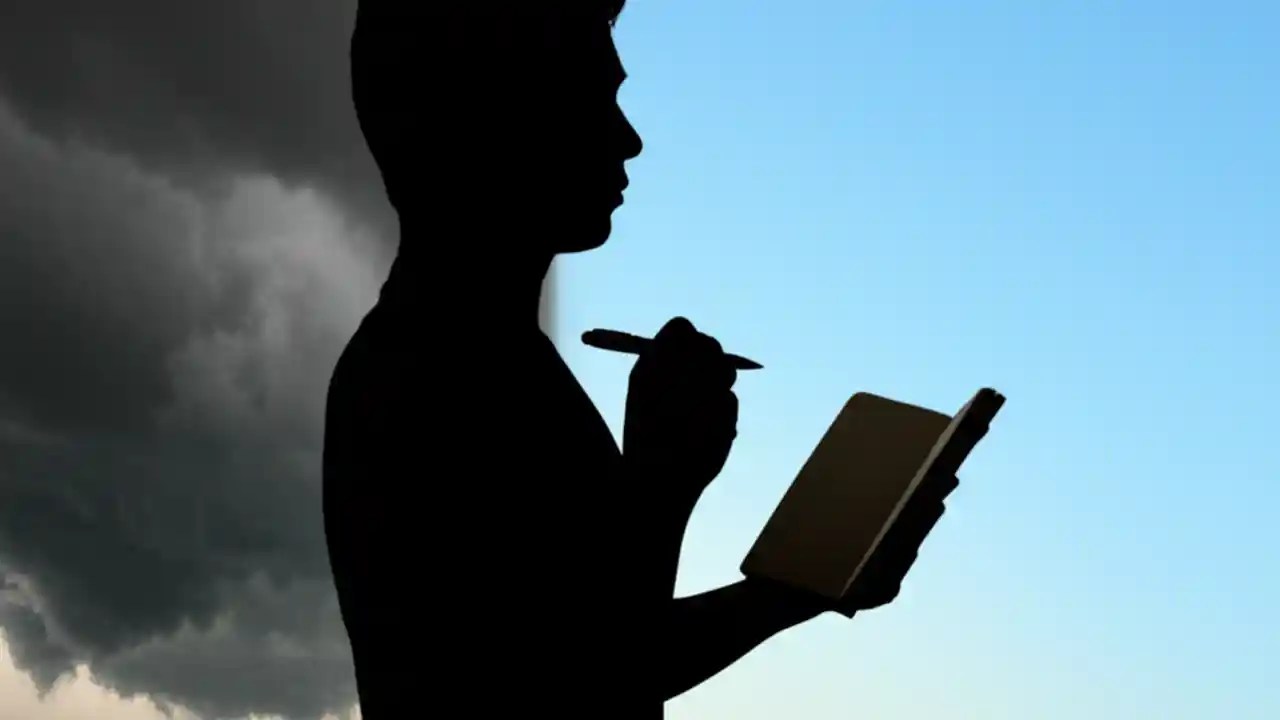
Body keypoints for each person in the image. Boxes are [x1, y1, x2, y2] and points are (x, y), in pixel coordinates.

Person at [322, 3, 957, 718]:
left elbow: (585, 645)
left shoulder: (456, 360)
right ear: (496, 121)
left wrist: (790, 591)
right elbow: (587, 675)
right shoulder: (440, 377)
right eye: (594, 98)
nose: (630, 140)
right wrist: (663, 484)